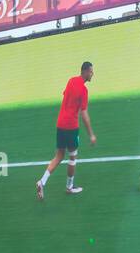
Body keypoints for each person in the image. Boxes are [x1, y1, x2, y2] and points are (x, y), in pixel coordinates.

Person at [36, 61, 96, 200]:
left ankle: (42, 182)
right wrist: (91, 134)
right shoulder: (84, 91)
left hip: (60, 124)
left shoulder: (71, 81)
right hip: (71, 127)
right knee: (73, 157)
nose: (93, 74)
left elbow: (66, 97)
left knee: (58, 156)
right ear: (85, 72)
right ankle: (69, 187)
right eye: (91, 71)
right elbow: (84, 114)